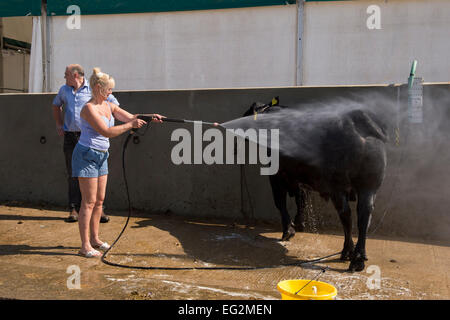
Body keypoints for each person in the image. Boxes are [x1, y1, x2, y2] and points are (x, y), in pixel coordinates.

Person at [72, 67, 164, 257]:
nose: (111, 93)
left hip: (101, 155)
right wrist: (130, 126)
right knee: (88, 202)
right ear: (98, 88)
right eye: (108, 90)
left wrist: (150, 117)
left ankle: (95, 239)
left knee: (99, 201)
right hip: (86, 155)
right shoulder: (89, 108)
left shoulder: (109, 105)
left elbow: (131, 117)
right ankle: (85, 246)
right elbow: (106, 132)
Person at [52, 64, 118, 223]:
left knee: (96, 175)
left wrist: (106, 118)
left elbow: (113, 103)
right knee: (73, 173)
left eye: (66, 74)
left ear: (75, 75)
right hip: (70, 136)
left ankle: (99, 209)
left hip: (89, 136)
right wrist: (59, 124)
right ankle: (74, 208)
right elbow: (56, 105)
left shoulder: (94, 89)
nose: (64, 77)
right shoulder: (64, 90)